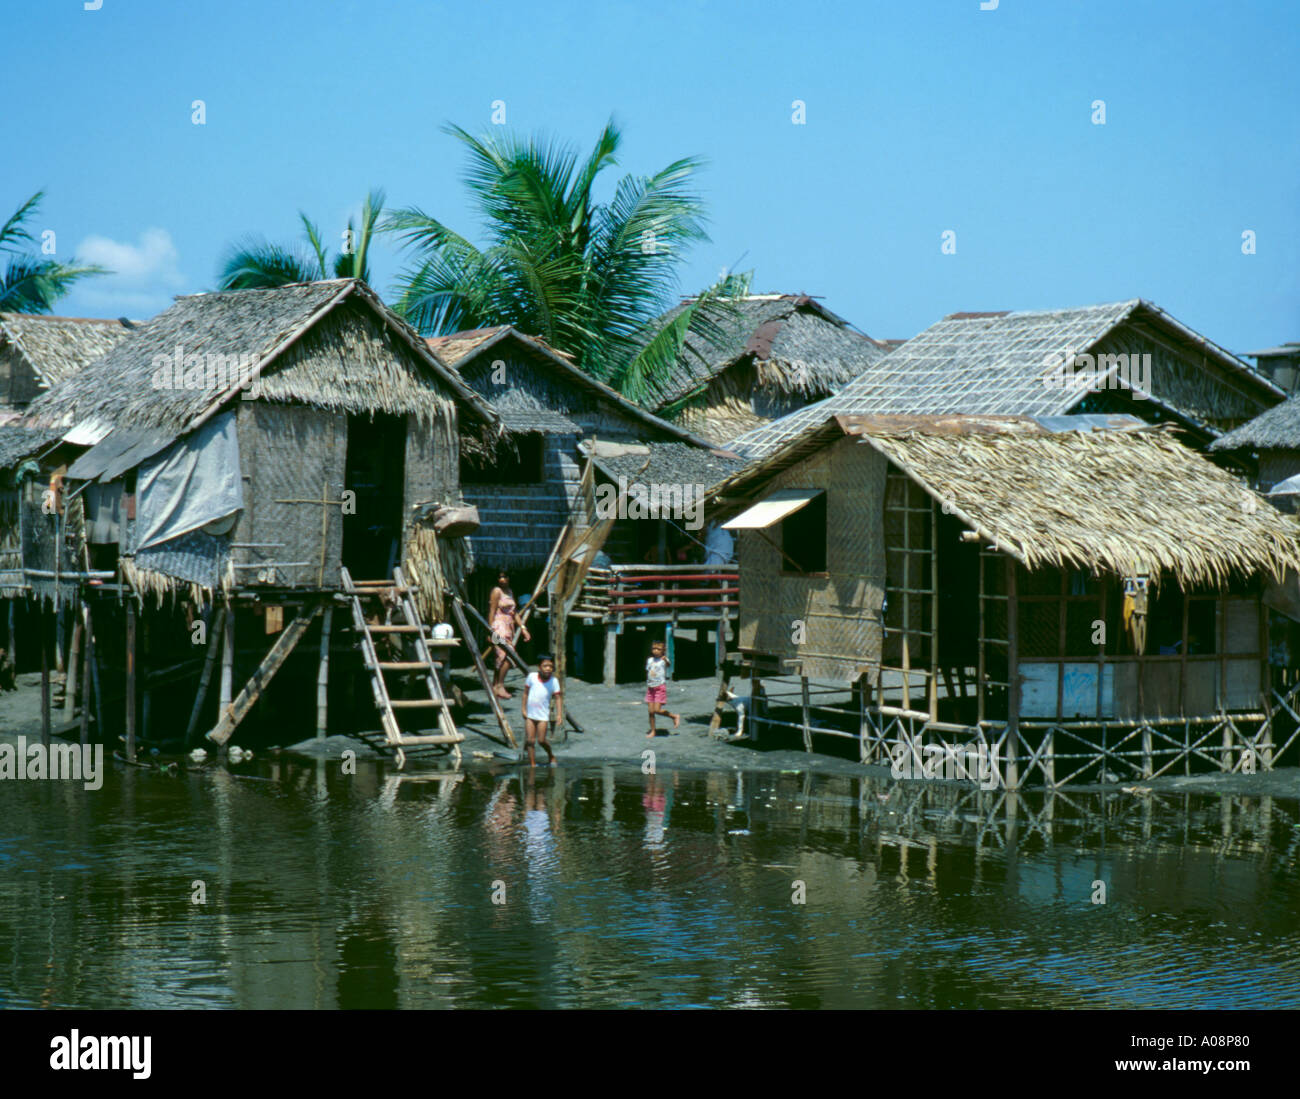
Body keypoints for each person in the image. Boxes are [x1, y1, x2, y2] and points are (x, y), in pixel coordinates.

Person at [488, 570, 529, 699]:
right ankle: (500, 685)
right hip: (499, 626)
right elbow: (492, 611)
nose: (502, 579)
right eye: (500, 577)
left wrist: (523, 628)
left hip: (509, 627)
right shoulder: (496, 591)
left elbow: (514, 612)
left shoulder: (510, 592)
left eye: (505, 576)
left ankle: (495, 686)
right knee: (508, 655)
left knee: (501, 657)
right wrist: (490, 630)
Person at [522, 655, 562, 767]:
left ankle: (550, 755)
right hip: (530, 714)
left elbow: (558, 698)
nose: (548, 668)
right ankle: (532, 764)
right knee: (530, 741)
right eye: (545, 666)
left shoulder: (554, 681)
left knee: (541, 740)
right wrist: (523, 709)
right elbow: (525, 693)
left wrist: (559, 714)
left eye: (550, 666)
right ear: (539, 667)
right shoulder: (532, 677)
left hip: (543, 716)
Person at [645, 640, 680, 737]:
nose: (655, 651)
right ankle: (653, 731)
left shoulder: (663, 660)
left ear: (663, 651)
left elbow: (668, 665)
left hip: (659, 687)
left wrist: (665, 659)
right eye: (654, 648)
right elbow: (648, 671)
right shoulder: (650, 660)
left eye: (658, 649)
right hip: (650, 688)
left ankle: (674, 716)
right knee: (651, 712)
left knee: (657, 710)